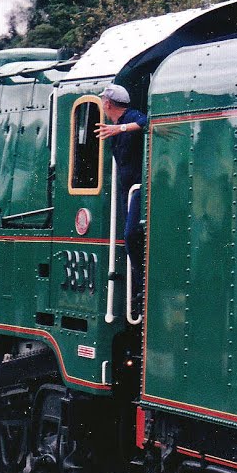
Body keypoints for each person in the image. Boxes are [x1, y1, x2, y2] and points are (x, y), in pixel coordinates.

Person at [93, 84, 147, 308]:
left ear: (107, 104)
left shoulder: (131, 117)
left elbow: (149, 121)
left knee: (132, 234)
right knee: (129, 239)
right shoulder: (114, 125)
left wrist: (121, 129)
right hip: (128, 191)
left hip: (139, 189)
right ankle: (139, 287)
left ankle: (144, 286)